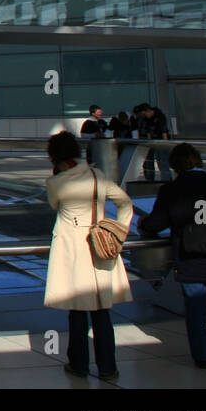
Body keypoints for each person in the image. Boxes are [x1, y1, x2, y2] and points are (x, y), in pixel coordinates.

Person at [139, 143, 206, 368]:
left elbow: (156, 223)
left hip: (191, 260)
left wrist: (143, 224)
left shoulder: (171, 190)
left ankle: (203, 356)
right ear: (199, 161)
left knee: (196, 312)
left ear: (175, 166)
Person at [42, 130, 133, 381]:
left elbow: (55, 205)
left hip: (72, 250)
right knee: (102, 311)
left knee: (77, 311)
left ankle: (78, 364)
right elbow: (125, 202)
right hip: (100, 247)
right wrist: (119, 231)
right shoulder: (97, 176)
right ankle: (108, 367)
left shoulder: (56, 183)